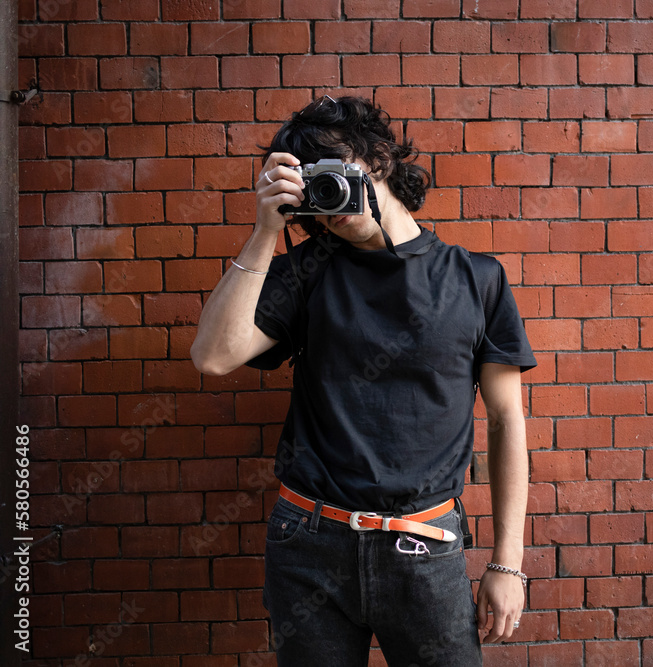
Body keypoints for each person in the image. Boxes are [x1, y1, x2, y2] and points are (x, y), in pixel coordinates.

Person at [190, 95, 536, 666]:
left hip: (425, 546)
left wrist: (505, 563)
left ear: (379, 158)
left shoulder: (477, 279)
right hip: (309, 542)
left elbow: (505, 423)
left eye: (333, 171)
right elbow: (213, 357)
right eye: (310, 186)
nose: (328, 203)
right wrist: (262, 231)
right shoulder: (308, 269)